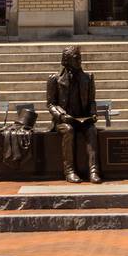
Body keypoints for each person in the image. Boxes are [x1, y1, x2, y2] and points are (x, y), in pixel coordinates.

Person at [46, 46, 101, 184]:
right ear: (67, 60)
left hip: (82, 119)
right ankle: (69, 171)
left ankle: (93, 171)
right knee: (69, 130)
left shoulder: (88, 78)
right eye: (76, 58)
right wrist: (62, 115)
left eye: (80, 57)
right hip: (63, 121)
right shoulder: (54, 79)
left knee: (92, 131)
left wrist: (93, 114)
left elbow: (91, 101)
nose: (79, 60)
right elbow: (51, 104)